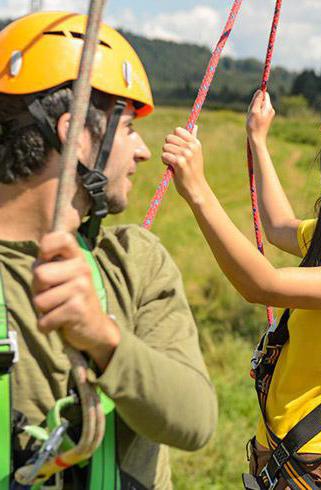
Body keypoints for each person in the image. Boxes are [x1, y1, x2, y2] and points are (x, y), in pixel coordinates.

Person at [161, 83, 321, 489]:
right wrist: (258, 140)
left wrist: (197, 191)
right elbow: (280, 227)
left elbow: (263, 284)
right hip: (287, 456)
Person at [0, 11, 217, 490]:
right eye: (128, 130)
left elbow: (195, 418)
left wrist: (102, 338)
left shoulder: (131, 261)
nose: (142, 151)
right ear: (76, 135)